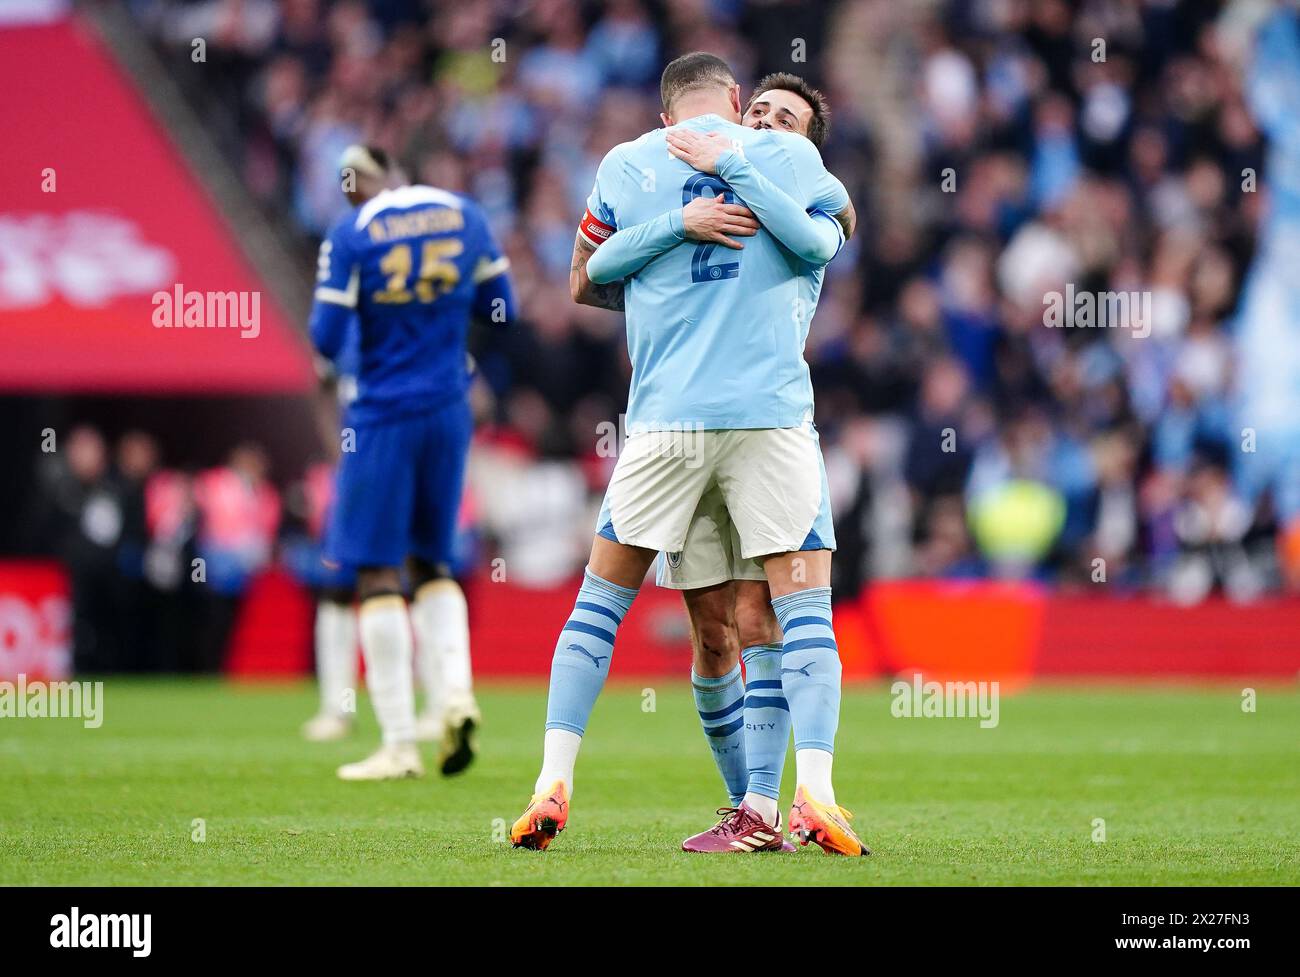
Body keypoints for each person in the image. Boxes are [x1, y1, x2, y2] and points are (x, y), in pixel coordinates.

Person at [510, 54, 867, 856]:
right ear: (737, 103)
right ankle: (793, 794)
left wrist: (693, 204)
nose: (771, 123)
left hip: (676, 424)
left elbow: (583, 275)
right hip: (759, 422)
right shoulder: (785, 161)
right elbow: (831, 231)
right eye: (763, 111)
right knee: (751, 620)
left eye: (787, 117)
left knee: (615, 605)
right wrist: (689, 216)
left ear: (667, 112)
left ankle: (561, 780)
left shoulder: (629, 162)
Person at [309, 144, 516, 779]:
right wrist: (459, 355)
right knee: (433, 561)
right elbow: (503, 308)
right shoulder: (466, 213)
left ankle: (399, 743)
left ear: (357, 186)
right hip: (449, 407)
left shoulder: (353, 232)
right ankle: (456, 693)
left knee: (374, 572)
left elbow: (323, 337)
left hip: (381, 413)